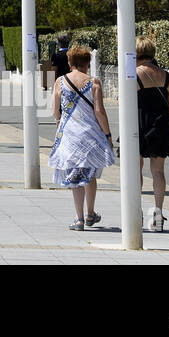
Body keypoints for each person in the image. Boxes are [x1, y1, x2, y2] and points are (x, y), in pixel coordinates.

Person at [49, 44, 115, 230]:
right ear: (88, 63)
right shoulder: (94, 82)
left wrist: (60, 120)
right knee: (89, 174)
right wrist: (108, 134)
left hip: (69, 135)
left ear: (70, 62)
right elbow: (100, 111)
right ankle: (90, 213)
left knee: (75, 175)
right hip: (90, 134)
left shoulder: (60, 82)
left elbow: (55, 111)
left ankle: (78, 219)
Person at [137, 36, 169, 231]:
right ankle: (158, 213)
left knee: (136, 169)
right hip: (162, 125)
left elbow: (124, 101)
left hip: (140, 125)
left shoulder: (135, 75)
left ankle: (135, 211)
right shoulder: (165, 75)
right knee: (158, 171)